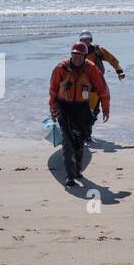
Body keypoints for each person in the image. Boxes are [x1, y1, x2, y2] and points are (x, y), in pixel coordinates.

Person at [49, 42, 110, 187]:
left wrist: (105, 108)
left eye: (79, 55)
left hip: (82, 107)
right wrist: (53, 106)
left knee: (80, 140)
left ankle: (77, 170)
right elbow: (53, 89)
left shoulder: (91, 69)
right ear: (71, 54)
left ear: (84, 56)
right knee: (67, 140)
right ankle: (69, 175)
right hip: (64, 106)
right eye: (74, 55)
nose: (76, 58)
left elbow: (103, 89)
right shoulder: (61, 68)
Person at [77, 30, 124, 141]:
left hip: (95, 87)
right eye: (82, 40)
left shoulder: (98, 51)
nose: (85, 42)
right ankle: (81, 132)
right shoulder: (77, 52)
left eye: (87, 39)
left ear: (91, 40)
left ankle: (86, 134)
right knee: (80, 110)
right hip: (81, 87)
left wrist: (119, 71)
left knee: (93, 112)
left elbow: (112, 59)